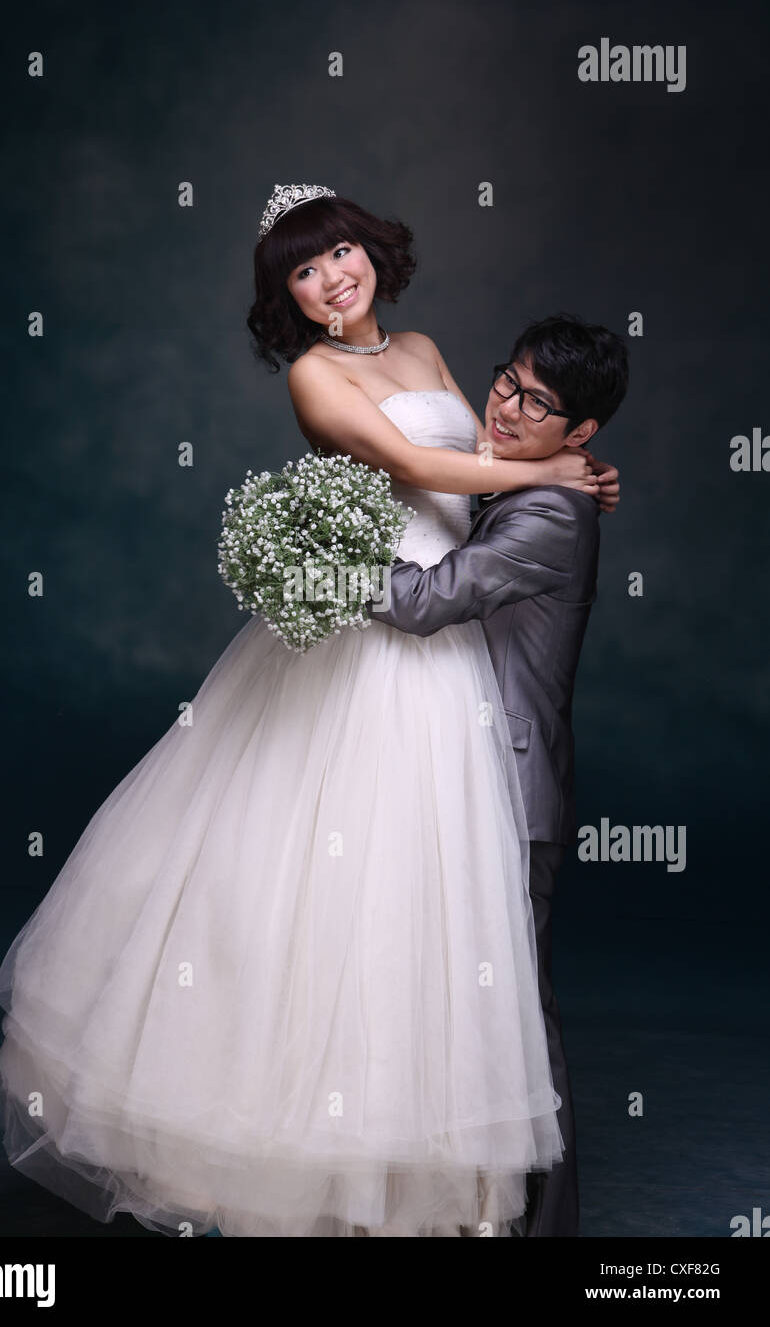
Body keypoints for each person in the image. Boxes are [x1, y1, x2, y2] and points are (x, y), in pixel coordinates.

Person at [0, 185, 610, 1238]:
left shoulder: (425, 346)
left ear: (371, 251)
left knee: (429, 901)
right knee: (309, 896)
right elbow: (412, 466)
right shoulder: (315, 379)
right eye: (301, 273)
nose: (330, 279)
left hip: (450, 640)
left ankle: (426, 1163)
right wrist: (557, 465)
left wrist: (553, 478)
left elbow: (482, 473)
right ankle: (291, 1154)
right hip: (372, 630)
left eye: (339, 254)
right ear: (290, 301)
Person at [369, 313, 630, 1235]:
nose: (508, 409)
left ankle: (540, 1227)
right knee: (472, 1007)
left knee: (519, 1017)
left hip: (513, 795)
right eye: (508, 382)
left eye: (540, 404)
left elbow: (422, 601)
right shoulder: (536, 479)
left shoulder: (551, 515)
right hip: (469, 780)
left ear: (584, 433)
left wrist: (319, 543)